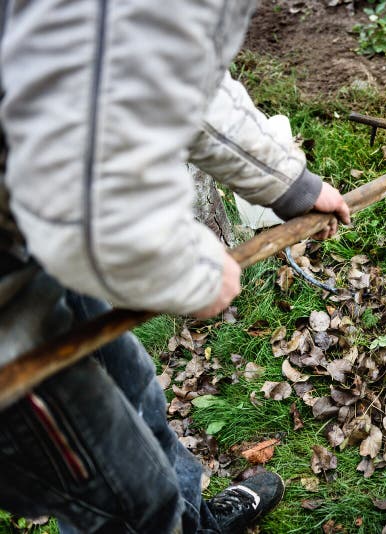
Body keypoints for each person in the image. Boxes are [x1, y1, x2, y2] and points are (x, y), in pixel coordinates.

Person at [0, 1, 350, 532]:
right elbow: (75, 191)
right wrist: (189, 274)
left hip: (28, 249)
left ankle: (191, 523)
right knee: (126, 502)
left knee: (135, 391)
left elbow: (174, 66)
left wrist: (287, 182)